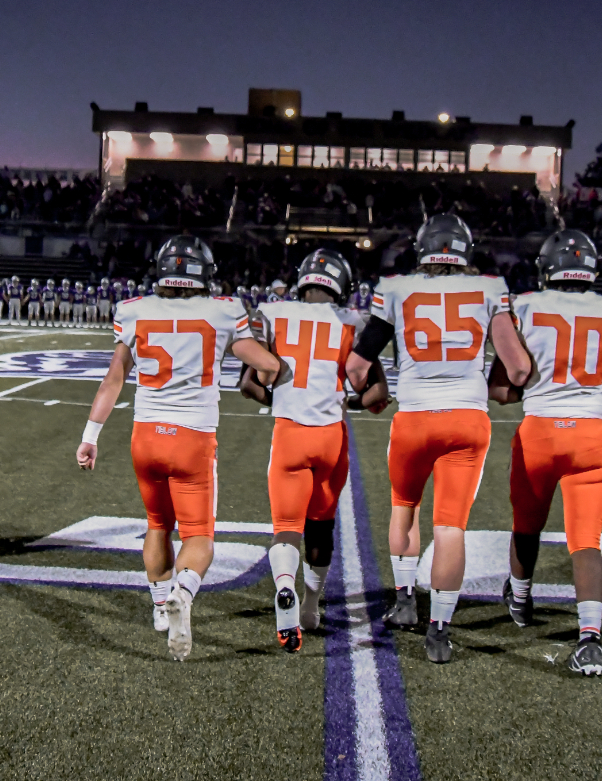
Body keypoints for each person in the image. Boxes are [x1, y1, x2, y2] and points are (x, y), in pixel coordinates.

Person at [79, 236, 280, 661]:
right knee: (199, 536)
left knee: (156, 523)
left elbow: (112, 379)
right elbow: (264, 365)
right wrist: (277, 367)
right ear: (203, 273)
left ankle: (158, 606)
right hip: (192, 438)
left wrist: (90, 437)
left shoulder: (133, 310)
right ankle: (183, 594)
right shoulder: (223, 310)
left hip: (146, 436)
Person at [345, 213, 532, 663]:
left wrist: (370, 394)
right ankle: (440, 631)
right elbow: (520, 367)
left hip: (414, 418)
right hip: (467, 421)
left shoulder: (396, 288)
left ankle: (406, 600)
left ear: (422, 248)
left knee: (404, 510)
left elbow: (356, 367)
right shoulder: (490, 288)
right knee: (450, 528)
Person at [490, 230, 602, 677]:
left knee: (527, 526)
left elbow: (502, 389)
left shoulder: (525, 305)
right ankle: (589, 639)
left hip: (540, 433)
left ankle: (519, 599)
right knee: (586, 541)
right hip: (592, 434)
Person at [239, 248, 389, 652]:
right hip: (330, 436)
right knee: (321, 525)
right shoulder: (353, 321)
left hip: (289, 432)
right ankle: (309, 605)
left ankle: (284, 587)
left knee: (286, 527)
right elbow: (377, 393)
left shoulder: (272, 312)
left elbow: (248, 384)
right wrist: (349, 401)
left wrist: (282, 400)